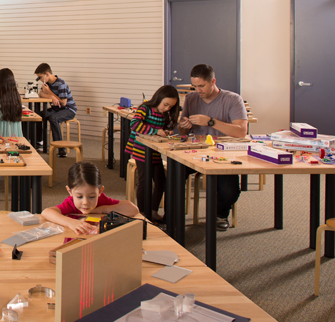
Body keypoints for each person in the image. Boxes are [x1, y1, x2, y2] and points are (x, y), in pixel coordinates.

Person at [178, 64, 248, 231]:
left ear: (213, 82)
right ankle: (173, 215)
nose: (198, 90)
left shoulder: (232, 99)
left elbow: (241, 132)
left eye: (202, 86)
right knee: (173, 174)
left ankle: (220, 214)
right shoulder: (191, 98)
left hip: (222, 153)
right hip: (195, 151)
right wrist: (184, 126)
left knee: (229, 190)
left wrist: (211, 122)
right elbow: (182, 131)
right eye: (195, 86)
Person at [124, 85, 180, 222]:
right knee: (144, 183)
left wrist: (167, 131)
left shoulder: (164, 114)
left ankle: (153, 211)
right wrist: (155, 131)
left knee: (161, 183)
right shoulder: (145, 109)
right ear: (158, 98)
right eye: (165, 104)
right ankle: (143, 213)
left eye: (170, 106)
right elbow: (134, 124)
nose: (167, 108)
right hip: (141, 151)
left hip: (154, 152)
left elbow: (164, 128)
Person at [42, 161, 138, 235]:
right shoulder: (71, 203)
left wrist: (103, 209)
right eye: (79, 196)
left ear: (100, 191)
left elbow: (133, 209)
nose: (85, 202)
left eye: (92, 196)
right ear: (70, 191)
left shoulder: (101, 200)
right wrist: (71, 223)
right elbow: (46, 212)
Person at [34, 63, 78, 157]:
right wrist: (51, 97)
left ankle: (61, 149)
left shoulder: (61, 83)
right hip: (56, 109)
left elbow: (63, 103)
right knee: (38, 116)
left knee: (53, 118)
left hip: (68, 109)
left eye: (40, 77)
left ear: (47, 74)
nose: (40, 80)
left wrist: (49, 92)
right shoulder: (47, 83)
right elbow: (40, 94)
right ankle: (39, 142)